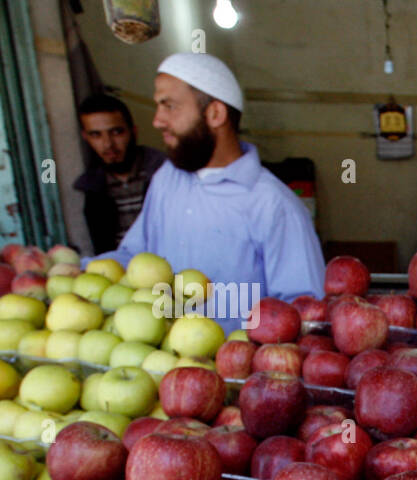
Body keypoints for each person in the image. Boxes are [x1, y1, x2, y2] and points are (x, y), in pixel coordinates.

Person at [101, 53, 325, 326]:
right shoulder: (167, 179)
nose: (157, 120)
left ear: (215, 114)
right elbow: (134, 256)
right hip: (158, 361)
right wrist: (75, 269)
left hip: (235, 366)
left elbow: (304, 314)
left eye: (169, 106)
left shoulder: (274, 205)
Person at [72, 93, 167, 254]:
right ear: (86, 138)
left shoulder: (166, 174)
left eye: (116, 132)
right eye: (96, 135)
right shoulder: (90, 189)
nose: (108, 144)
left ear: (133, 132)